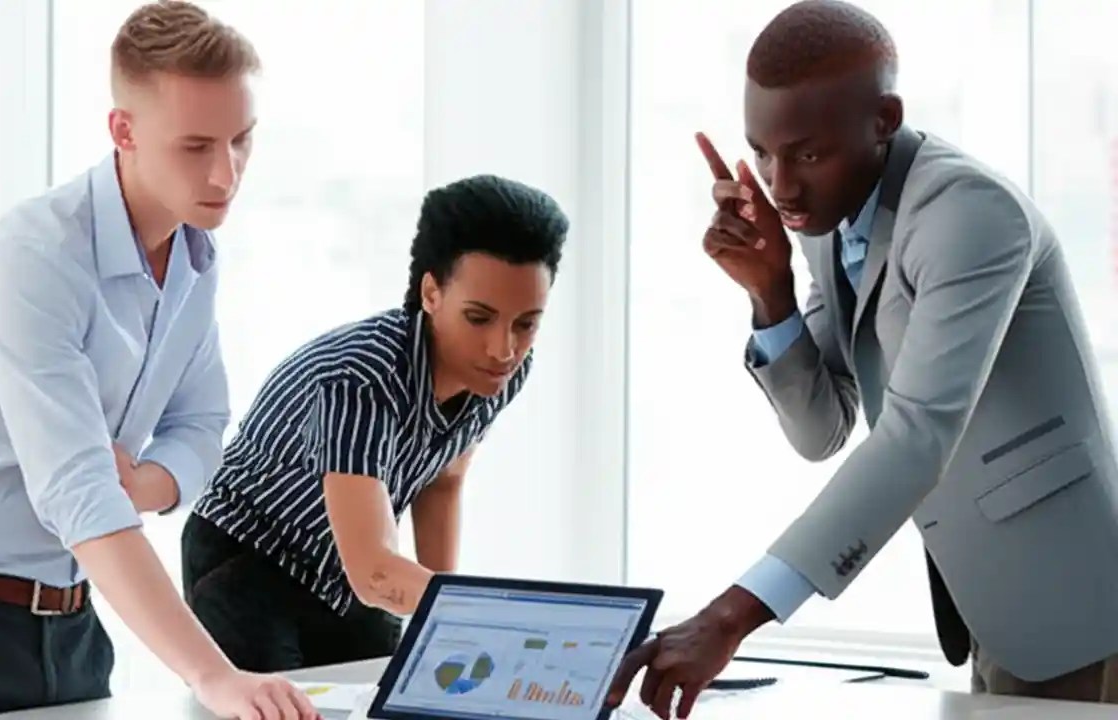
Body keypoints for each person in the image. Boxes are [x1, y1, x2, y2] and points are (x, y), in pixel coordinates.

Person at [607, 1, 1118, 717]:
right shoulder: (831, 220)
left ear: (884, 119)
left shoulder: (969, 214)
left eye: (807, 154)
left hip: (1081, 603)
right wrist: (771, 292)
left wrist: (731, 617)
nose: (780, 186)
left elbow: (915, 437)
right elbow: (821, 430)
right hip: (993, 601)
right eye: (762, 153)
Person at [0, 3, 316, 719]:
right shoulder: (34, 261)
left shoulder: (195, 256)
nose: (226, 173)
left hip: (71, 624)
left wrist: (150, 483)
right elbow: (79, 493)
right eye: (195, 146)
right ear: (123, 131)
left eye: (241, 140)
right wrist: (216, 675)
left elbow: (202, 422)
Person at [181, 174, 569, 671]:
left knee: (397, 694)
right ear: (431, 293)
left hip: (347, 568)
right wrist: (479, 616)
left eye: (526, 323)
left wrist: (443, 627)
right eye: (478, 318)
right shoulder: (361, 379)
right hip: (249, 559)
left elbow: (443, 483)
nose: (504, 349)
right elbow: (372, 574)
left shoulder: (502, 373)